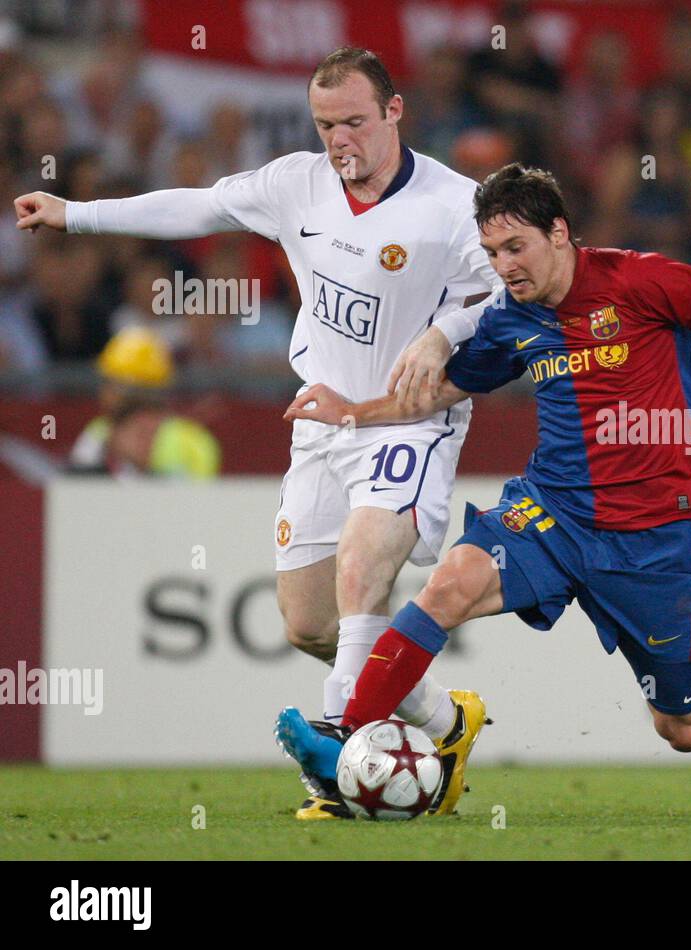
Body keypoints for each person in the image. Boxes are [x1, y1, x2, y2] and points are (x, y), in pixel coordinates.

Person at [273, 163, 691, 814]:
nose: (503, 266)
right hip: (551, 514)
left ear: (559, 233)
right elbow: (439, 391)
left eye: (515, 247)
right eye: (491, 252)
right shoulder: (510, 318)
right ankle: (345, 737)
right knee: (447, 587)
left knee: (683, 724)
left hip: (649, 542)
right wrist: (354, 410)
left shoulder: (641, 280)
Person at [14, 47, 502, 820]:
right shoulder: (294, 184)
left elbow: (514, 286)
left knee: (363, 562)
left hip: (411, 416)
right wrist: (75, 213)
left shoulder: (455, 203)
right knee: (311, 623)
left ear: (395, 111)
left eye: (354, 122)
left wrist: (445, 332)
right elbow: (198, 206)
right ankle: (447, 722)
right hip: (320, 421)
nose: (340, 140)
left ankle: (339, 764)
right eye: (324, 125)